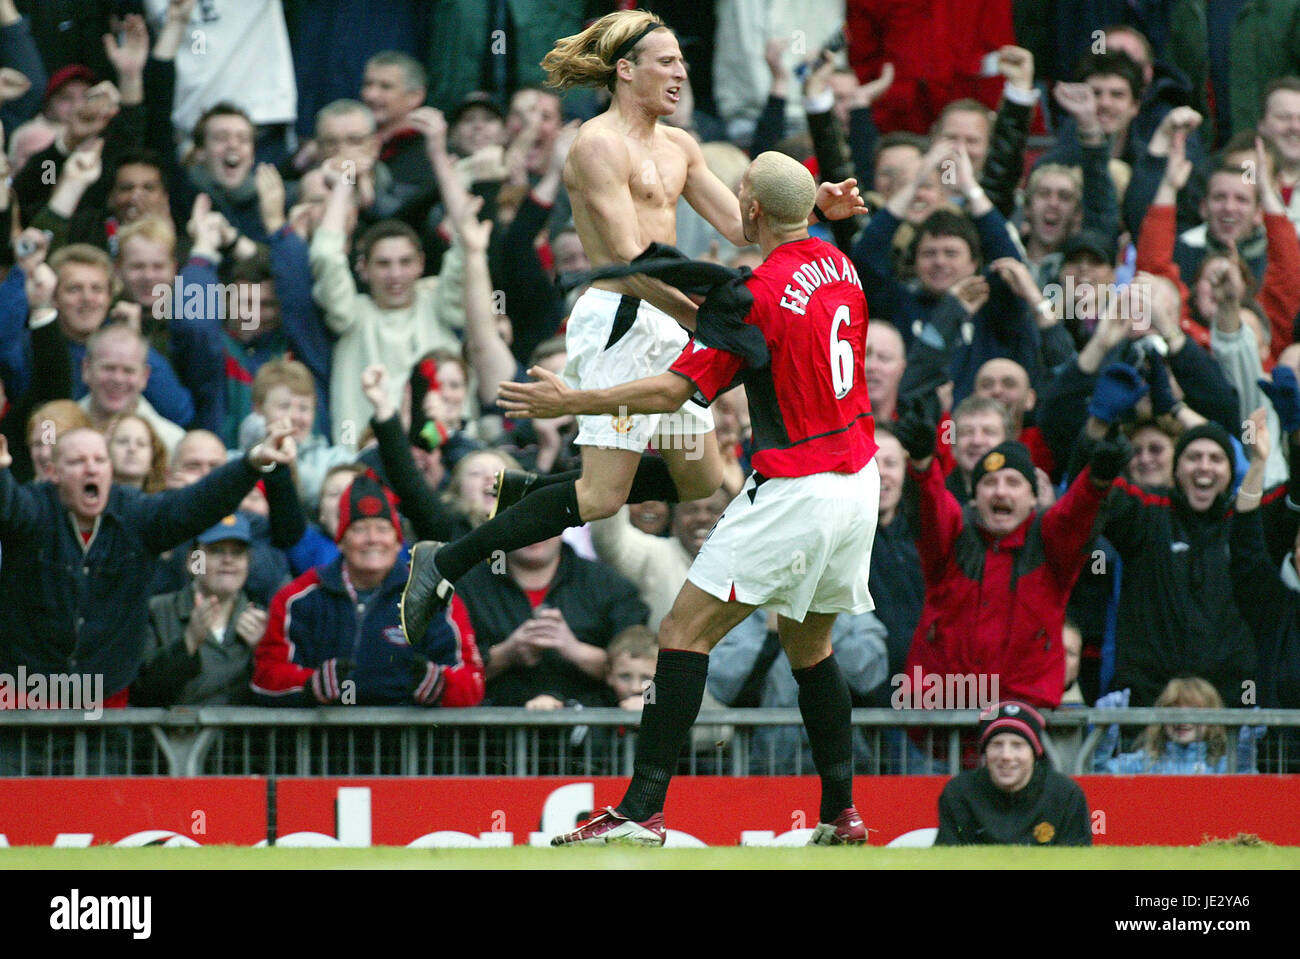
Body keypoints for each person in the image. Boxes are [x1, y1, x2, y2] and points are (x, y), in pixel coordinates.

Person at [399, 10, 865, 645]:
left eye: (681, 61)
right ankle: (445, 560)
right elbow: (632, 265)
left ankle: (534, 492)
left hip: (670, 317)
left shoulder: (680, 144)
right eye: (666, 61)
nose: (680, 72)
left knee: (700, 478)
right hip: (621, 318)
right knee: (598, 499)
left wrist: (811, 209)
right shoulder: (596, 145)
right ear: (626, 70)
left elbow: (742, 227)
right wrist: (708, 325)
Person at [503, 150, 877, 846]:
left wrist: (573, 398)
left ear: (752, 209)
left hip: (795, 484)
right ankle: (841, 812)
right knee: (809, 642)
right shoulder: (840, 263)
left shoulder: (754, 298)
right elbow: (794, 257)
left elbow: (673, 390)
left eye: (739, 192)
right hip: (857, 480)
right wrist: (816, 213)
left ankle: (641, 808)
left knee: (681, 633)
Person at [0, 420, 296, 706]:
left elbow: (198, 503)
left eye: (100, 460)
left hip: (105, 710)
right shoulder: (34, 509)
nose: (91, 468)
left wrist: (251, 463)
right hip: (26, 707)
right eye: (77, 461)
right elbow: (7, 507)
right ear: (53, 472)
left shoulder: (134, 513)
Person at [251, 473, 484, 708]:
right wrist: (310, 684)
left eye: (383, 529)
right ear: (340, 541)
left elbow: (472, 683)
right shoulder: (298, 597)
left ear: (397, 541)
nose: (373, 539)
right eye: (359, 529)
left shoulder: (434, 597)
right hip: (322, 742)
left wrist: (442, 685)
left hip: (409, 743)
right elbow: (264, 677)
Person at [132, 513, 265, 706]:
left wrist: (263, 651)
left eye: (237, 552)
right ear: (193, 561)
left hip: (235, 736)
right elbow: (142, 691)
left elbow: (274, 698)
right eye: (216, 551)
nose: (228, 559)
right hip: (174, 734)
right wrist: (188, 642)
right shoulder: (157, 611)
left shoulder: (262, 619)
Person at [935, 701, 1092, 846]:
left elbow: (1079, 861)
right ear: (985, 752)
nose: (1006, 756)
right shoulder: (959, 793)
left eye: (1017, 745)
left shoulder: (1065, 795)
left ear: (1035, 753)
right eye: (997, 744)